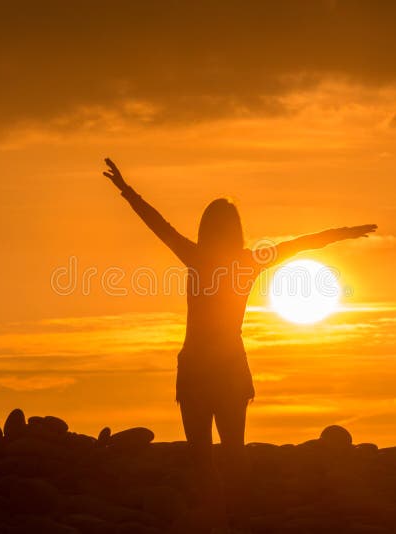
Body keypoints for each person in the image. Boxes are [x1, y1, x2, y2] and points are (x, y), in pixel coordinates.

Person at [102, 157, 375, 518]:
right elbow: (300, 244)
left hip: (202, 369)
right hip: (225, 368)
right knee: (233, 453)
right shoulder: (246, 261)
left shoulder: (197, 256)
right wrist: (344, 232)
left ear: (206, 228)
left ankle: (221, 520)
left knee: (205, 456)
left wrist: (126, 190)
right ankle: (233, 520)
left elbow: (158, 224)